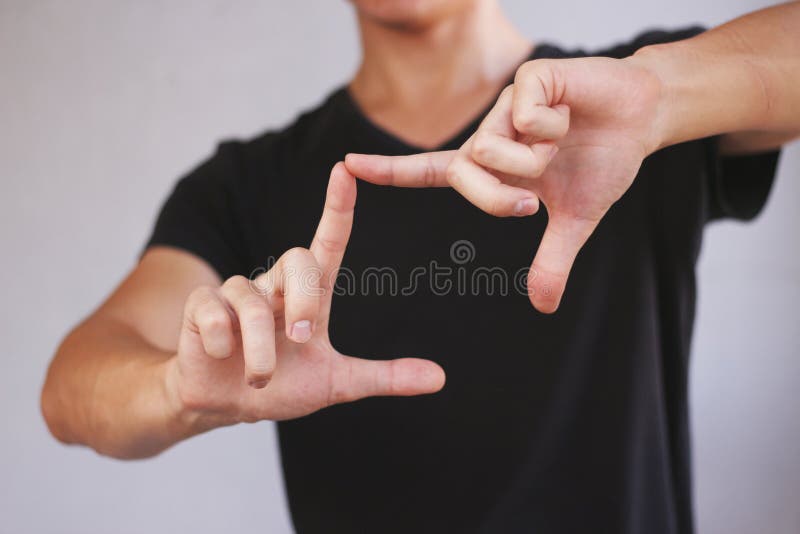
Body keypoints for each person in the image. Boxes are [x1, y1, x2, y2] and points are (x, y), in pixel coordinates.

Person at [41, 1, 799, 533]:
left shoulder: (624, 108)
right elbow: (73, 388)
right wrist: (176, 388)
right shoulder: (246, 183)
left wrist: (663, 93)